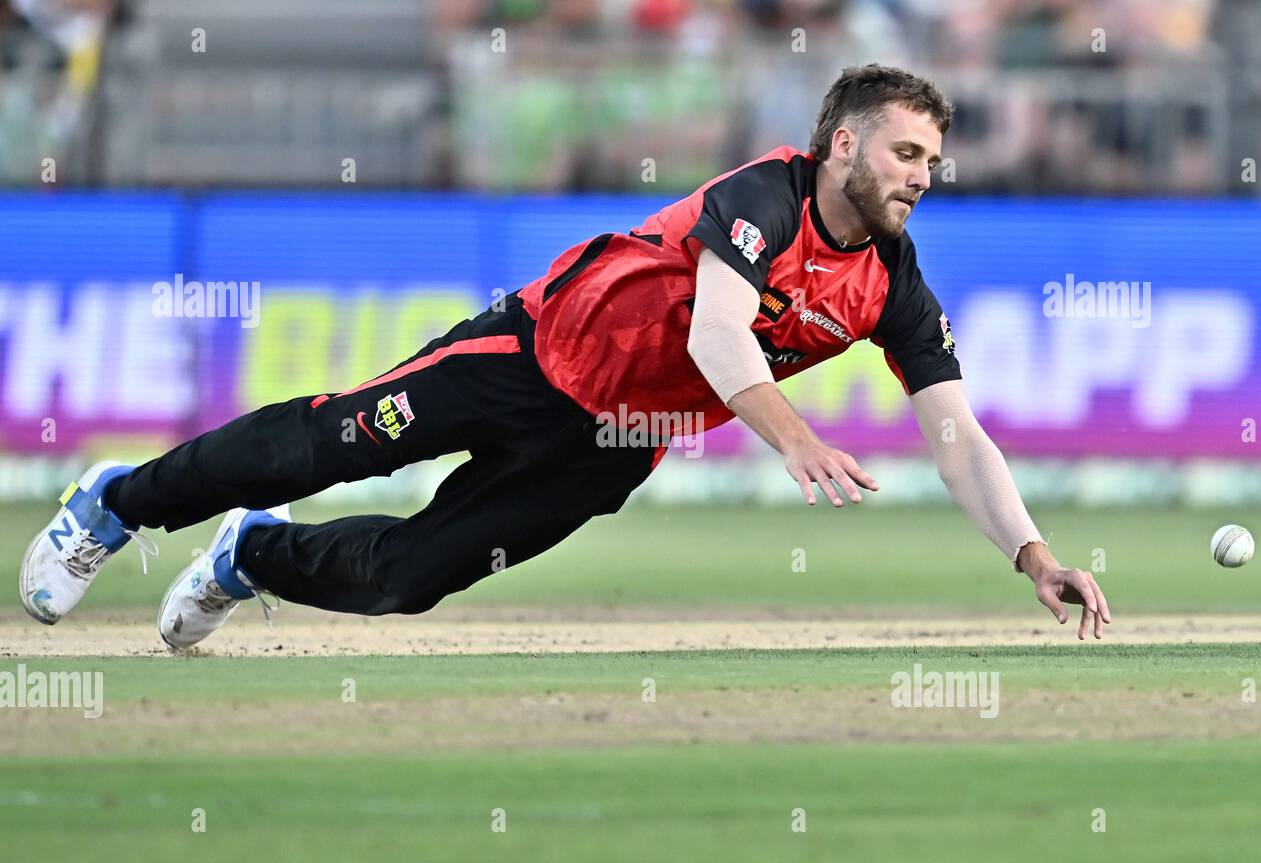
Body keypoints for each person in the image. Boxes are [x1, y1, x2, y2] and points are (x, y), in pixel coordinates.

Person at [20, 64, 1111, 647]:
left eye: (934, 158)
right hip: (522, 355)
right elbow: (715, 329)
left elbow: (957, 435)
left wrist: (1031, 554)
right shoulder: (760, 197)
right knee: (315, 447)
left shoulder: (895, 282)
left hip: (611, 443)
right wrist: (791, 437)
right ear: (841, 145)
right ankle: (116, 503)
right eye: (905, 150)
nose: (923, 173)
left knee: (408, 581)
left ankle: (252, 559)